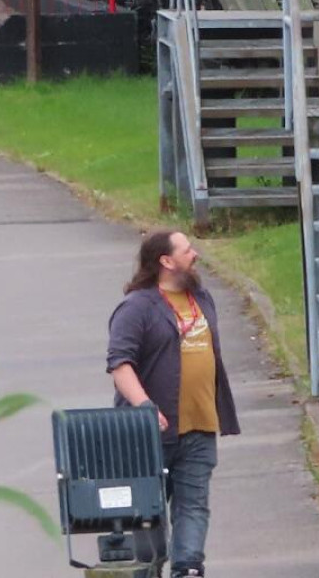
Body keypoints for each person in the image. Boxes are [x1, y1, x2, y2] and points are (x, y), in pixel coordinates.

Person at [107, 230, 241, 578]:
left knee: (194, 507)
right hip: (149, 435)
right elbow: (120, 365)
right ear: (166, 261)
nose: (195, 254)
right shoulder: (136, 307)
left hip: (199, 425)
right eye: (187, 250)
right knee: (148, 515)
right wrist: (144, 407)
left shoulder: (201, 298)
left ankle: (188, 569)